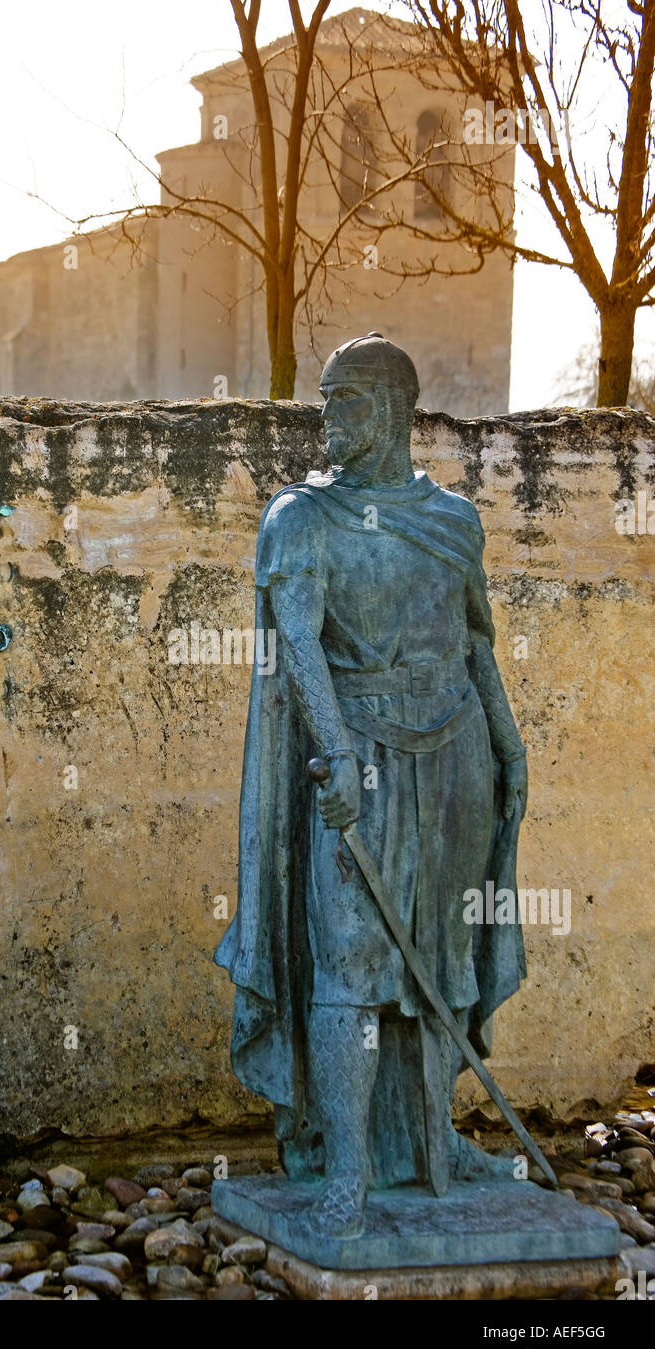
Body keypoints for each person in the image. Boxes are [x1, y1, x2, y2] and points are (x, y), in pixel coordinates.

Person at [215, 333, 529, 1238]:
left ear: (392, 407)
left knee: (443, 957)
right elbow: (300, 643)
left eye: (344, 400)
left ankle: (431, 1141)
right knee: (351, 960)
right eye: (323, 400)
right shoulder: (300, 518)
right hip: (361, 761)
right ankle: (348, 1166)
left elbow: (477, 643)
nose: (327, 418)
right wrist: (341, 756)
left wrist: (509, 747)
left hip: (457, 753)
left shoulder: (453, 520)